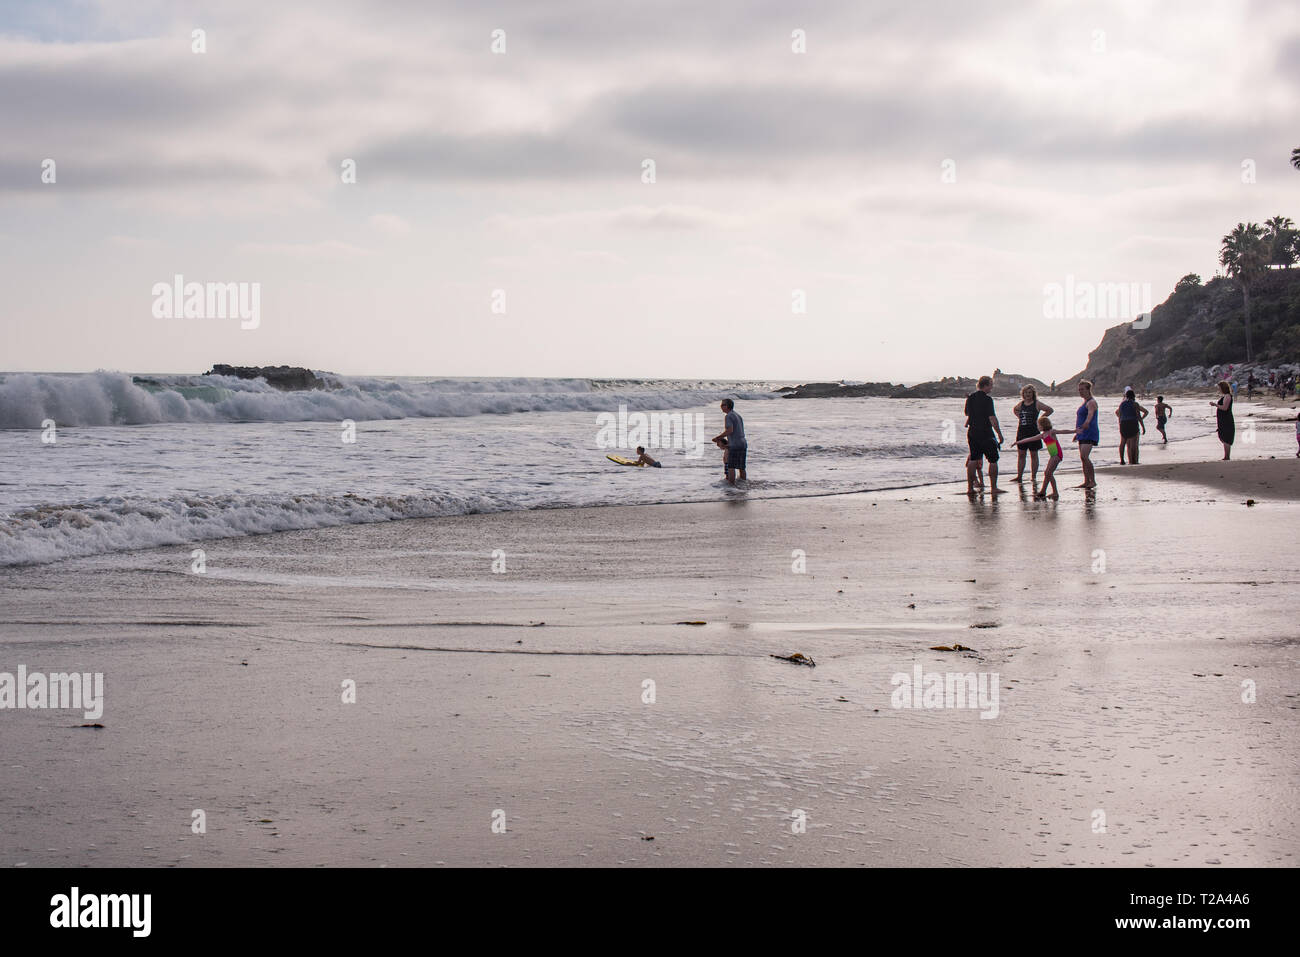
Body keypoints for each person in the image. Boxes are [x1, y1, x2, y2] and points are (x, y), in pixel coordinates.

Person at [1013, 415, 1076, 499]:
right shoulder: (1042, 435)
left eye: (1038, 425)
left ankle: (1051, 492)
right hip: (1053, 455)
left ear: (1043, 425)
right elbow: (1030, 439)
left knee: (1048, 473)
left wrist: (1075, 431)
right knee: (1048, 473)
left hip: (1057, 455)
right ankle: (1046, 491)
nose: (1037, 427)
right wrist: (1018, 442)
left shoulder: (1051, 432)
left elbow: (1063, 431)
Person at [964, 375, 1005, 495]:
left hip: (972, 432)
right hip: (985, 432)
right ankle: (994, 488)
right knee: (993, 459)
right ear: (986, 385)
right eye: (991, 385)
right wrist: (999, 434)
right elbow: (992, 418)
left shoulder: (970, 398)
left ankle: (970, 489)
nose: (991, 388)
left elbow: (967, 413)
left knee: (973, 459)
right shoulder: (988, 399)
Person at [1011, 385, 1054, 489]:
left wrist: (1041, 419)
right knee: (1021, 455)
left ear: (1033, 394)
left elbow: (1050, 410)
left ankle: (1033, 476)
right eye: (1026, 393)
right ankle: (1019, 476)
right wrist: (1020, 417)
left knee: (1033, 455)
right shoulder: (1021, 404)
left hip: (1033, 431)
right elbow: (1015, 409)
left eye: (1029, 393)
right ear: (1023, 394)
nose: (1027, 395)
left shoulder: (1037, 403)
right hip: (1021, 431)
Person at [1072, 380, 1100, 489]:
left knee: (1084, 456)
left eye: (1082, 389)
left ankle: (1092, 481)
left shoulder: (1091, 402)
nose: (1080, 392)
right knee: (1082, 458)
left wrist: (1087, 423)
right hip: (1082, 433)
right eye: (1079, 390)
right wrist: (1077, 432)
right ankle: (1086, 481)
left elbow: (1090, 414)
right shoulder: (1084, 402)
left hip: (1090, 432)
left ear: (1088, 389)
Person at [713, 399, 746, 485]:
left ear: (727, 406)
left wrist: (718, 437)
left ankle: (731, 488)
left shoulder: (728, 416)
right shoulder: (738, 415)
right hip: (743, 443)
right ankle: (743, 486)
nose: (721, 407)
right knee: (741, 467)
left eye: (722, 405)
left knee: (731, 467)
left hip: (734, 444)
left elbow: (730, 430)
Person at [1115, 389, 1148, 465]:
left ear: (1126, 396)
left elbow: (1117, 412)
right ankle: (1133, 461)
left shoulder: (1122, 404)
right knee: (1133, 443)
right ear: (1133, 396)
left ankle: (1122, 460)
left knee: (1122, 442)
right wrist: (1143, 426)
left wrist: (1121, 419)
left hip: (1123, 423)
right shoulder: (1135, 404)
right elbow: (1138, 416)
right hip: (1132, 423)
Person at [1212, 381, 1234, 461]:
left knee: (1226, 438)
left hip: (1226, 420)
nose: (1219, 389)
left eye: (1219, 388)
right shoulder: (1225, 396)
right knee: (1223, 437)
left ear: (1223, 388)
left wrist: (1215, 405)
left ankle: (1227, 457)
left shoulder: (1227, 396)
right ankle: (1226, 456)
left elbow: (1225, 408)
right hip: (1223, 419)